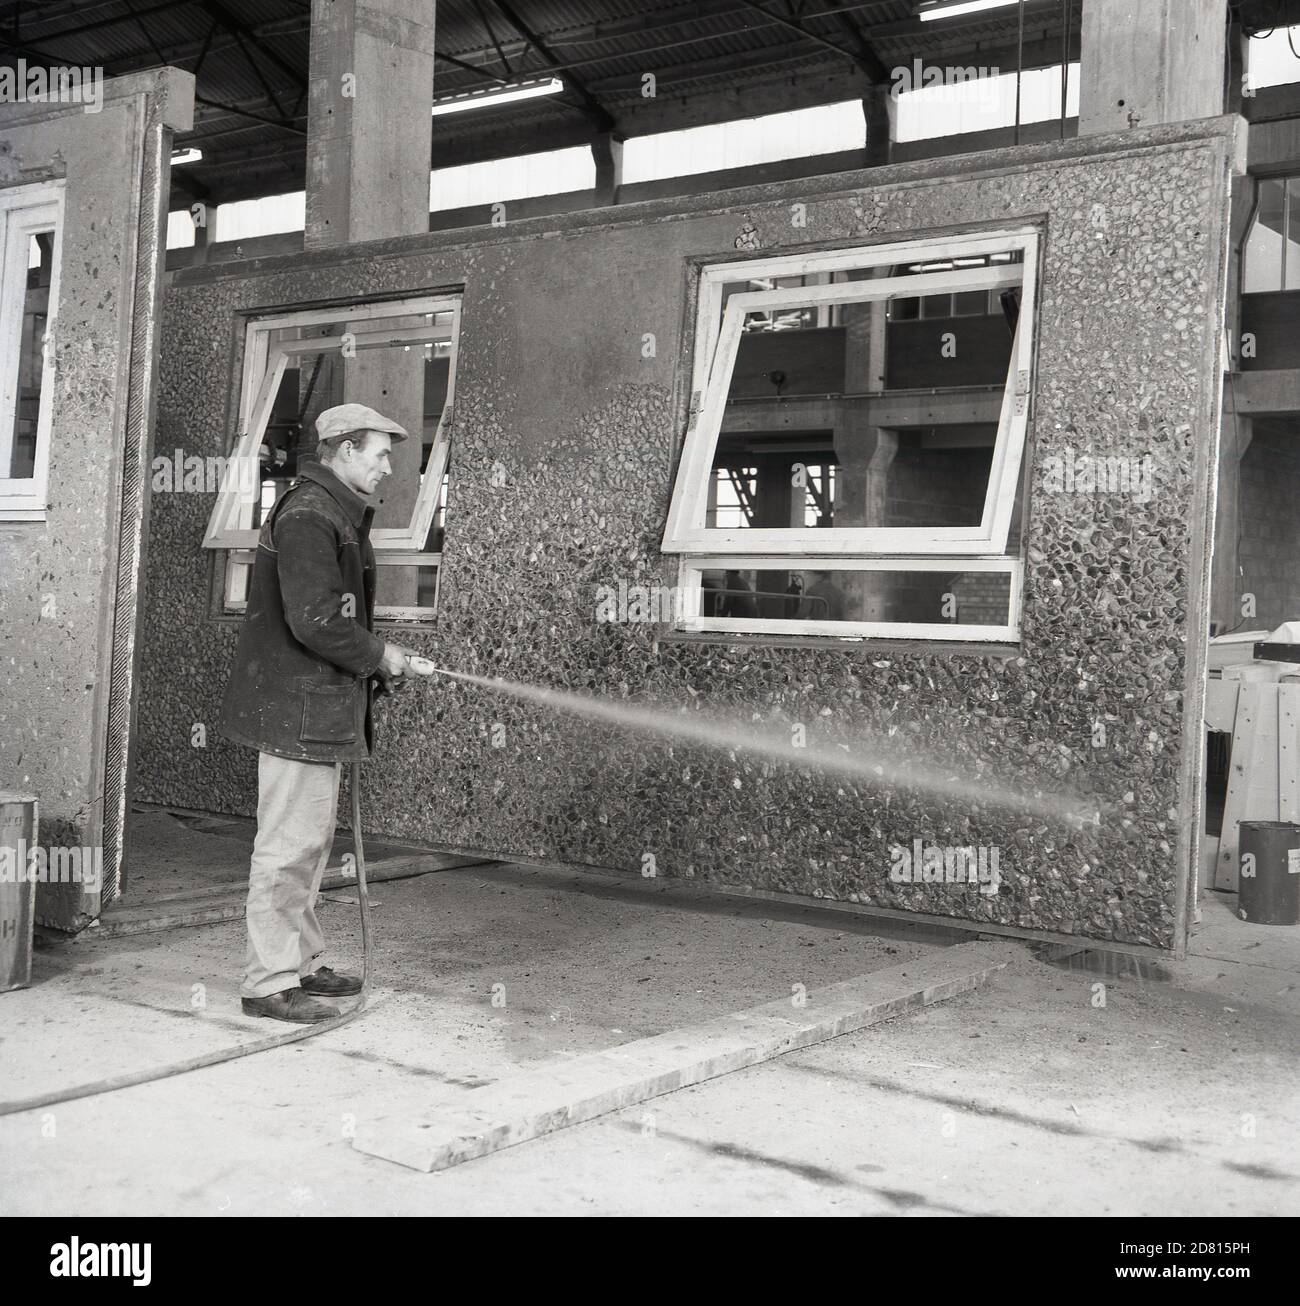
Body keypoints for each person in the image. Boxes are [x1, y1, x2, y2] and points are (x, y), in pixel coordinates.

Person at [219, 403, 419, 1024]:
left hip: (316, 706)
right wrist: (381, 655)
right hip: (297, 707)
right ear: (344, 450)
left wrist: (376, 661)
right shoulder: (310, 514)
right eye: (380, 453)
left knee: (306, 843)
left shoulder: (332, 509)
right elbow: (315, 621)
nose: (389, 467)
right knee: (287, 848)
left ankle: (300, 963)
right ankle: (269, 981)